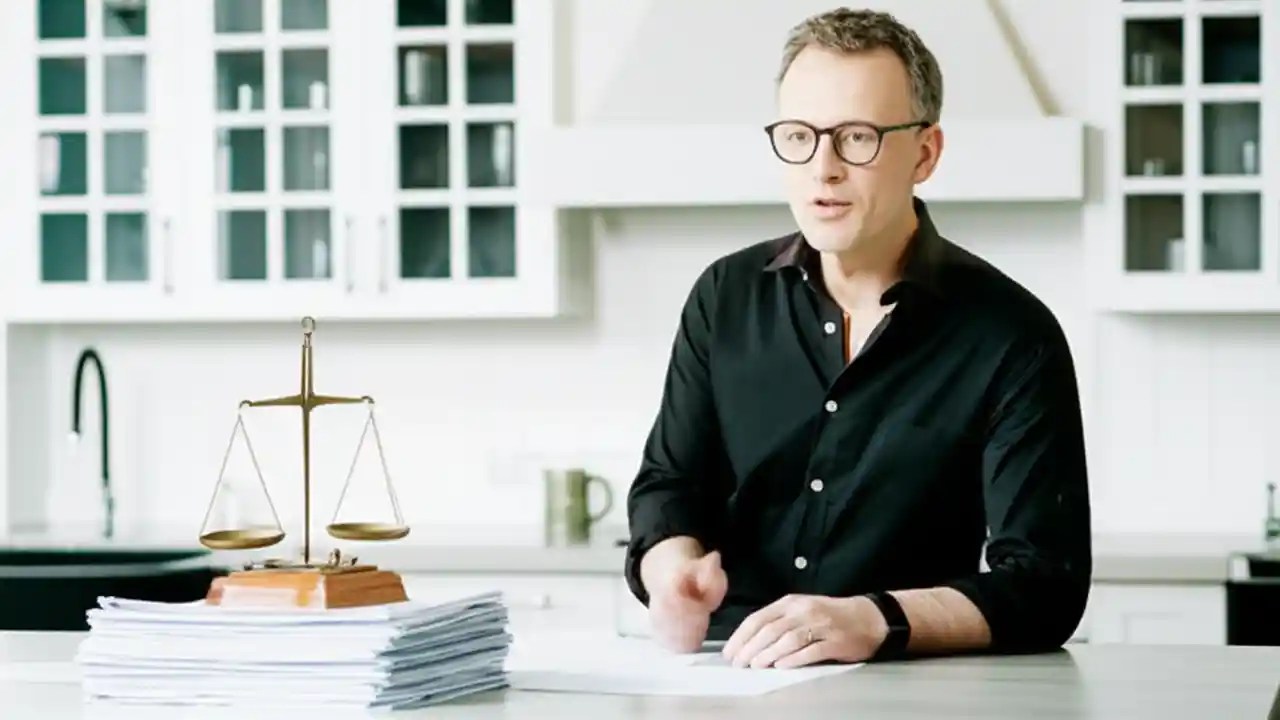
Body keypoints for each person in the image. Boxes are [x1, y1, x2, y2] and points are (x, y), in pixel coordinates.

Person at [623, 7, 1092, 669]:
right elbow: (669, 485)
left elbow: (1046, 583)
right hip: (727, 679)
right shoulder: (723, 297)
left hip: (911, 692)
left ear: (924, 153)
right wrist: (672, 569)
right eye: (799, 136)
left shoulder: (1012, 334)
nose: (824, 168)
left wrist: (873, 621)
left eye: (858, 137)